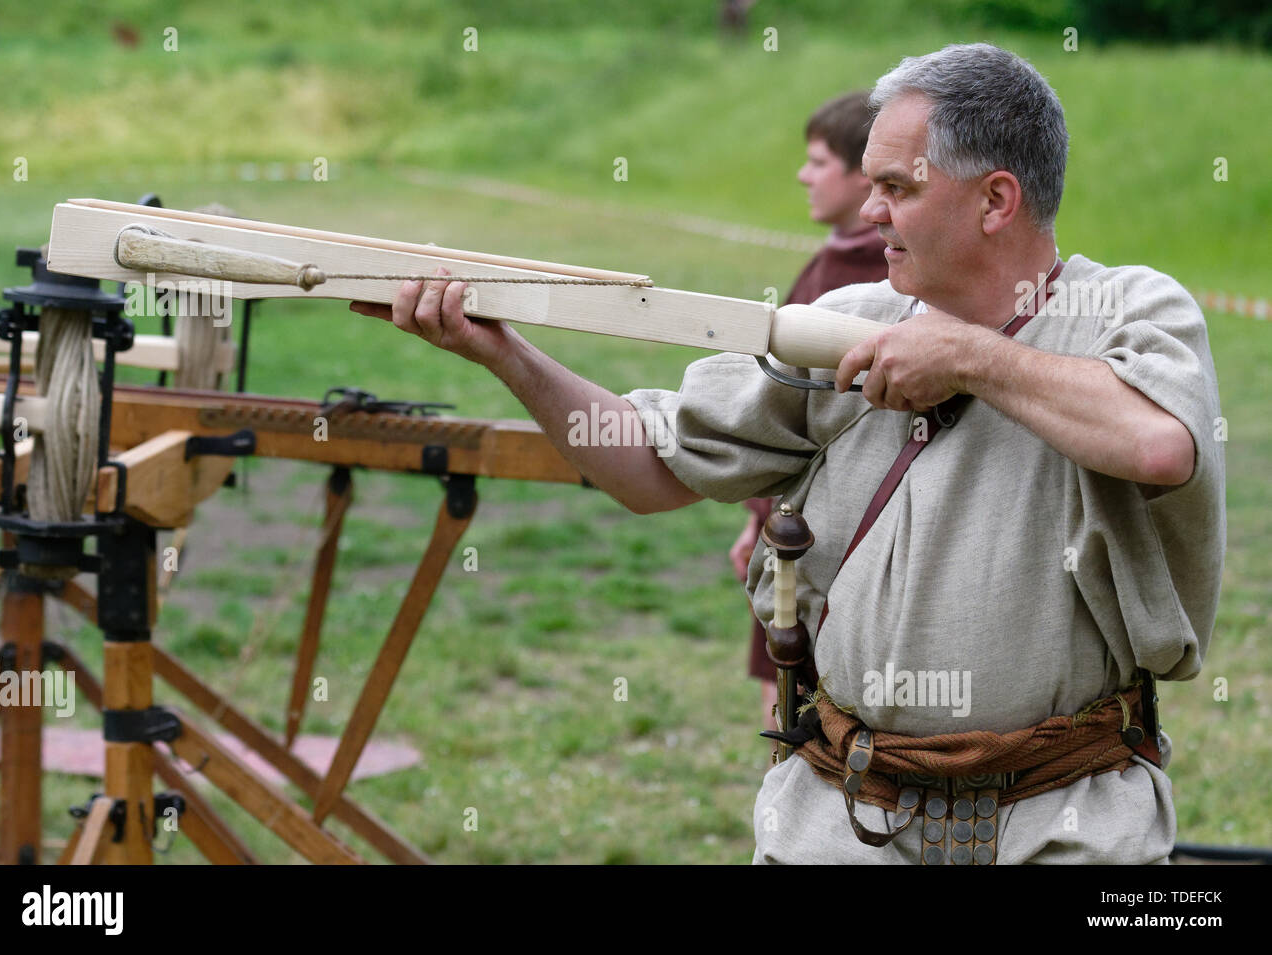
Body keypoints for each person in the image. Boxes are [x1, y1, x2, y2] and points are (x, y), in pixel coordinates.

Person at [350, 43, 1224, 864]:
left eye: (896, 187)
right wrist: (504, 352)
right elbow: (647, 468)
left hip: (1064, 826)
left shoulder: (1129, 311)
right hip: (846, 819)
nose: (869, 210)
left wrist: (963, 356)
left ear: (996, 201)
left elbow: (1156, 444)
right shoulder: (855, 321)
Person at [732, 90, 888, 735]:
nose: (803, 174)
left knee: (830, 721)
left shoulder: (887, 279)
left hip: (845, 538)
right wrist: (756, 519)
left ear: (864, 174)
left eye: (819, 161)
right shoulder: (826, 262)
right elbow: (781, 410)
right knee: (781, 705)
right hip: (789, 528)